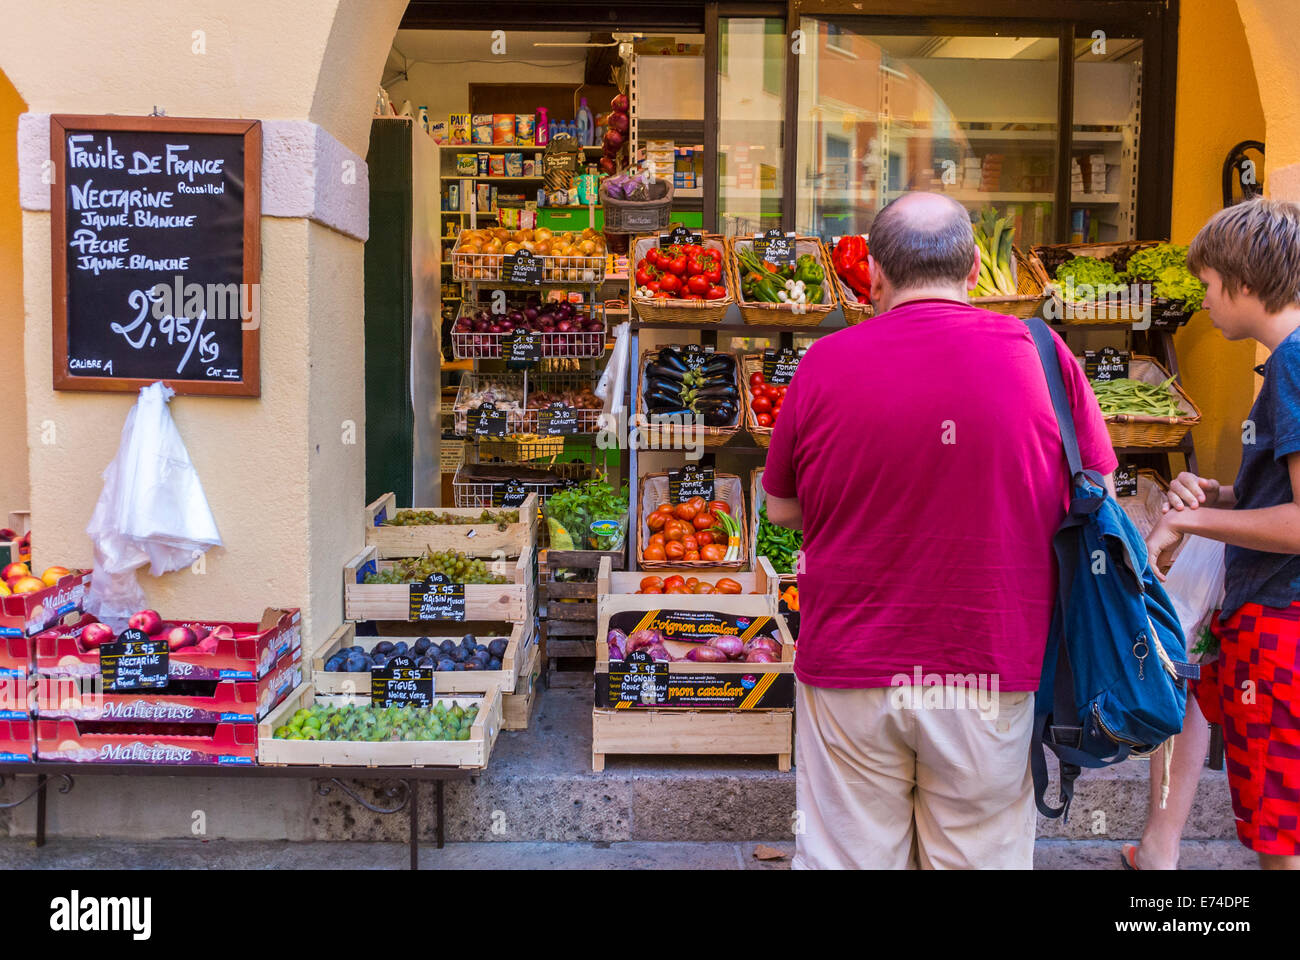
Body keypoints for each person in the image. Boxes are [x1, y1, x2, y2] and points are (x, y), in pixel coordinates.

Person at [762, 191, 1116, 869]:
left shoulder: (823, 364)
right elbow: (1093, 490)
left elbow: (781, 508)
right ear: (976, 266)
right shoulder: (1044, 356)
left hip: (851, 665)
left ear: (872, 273)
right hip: (991, 664)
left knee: (849, 858)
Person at [1144, 197, 1300, 871]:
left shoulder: (1293, 364)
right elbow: (1279, 494)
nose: (1203, 302)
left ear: (1242, 284)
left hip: (1277, 619)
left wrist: (1187, 518)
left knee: (1275, 836)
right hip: (1274, 616)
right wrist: (1220, 494)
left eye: (1208, 287)